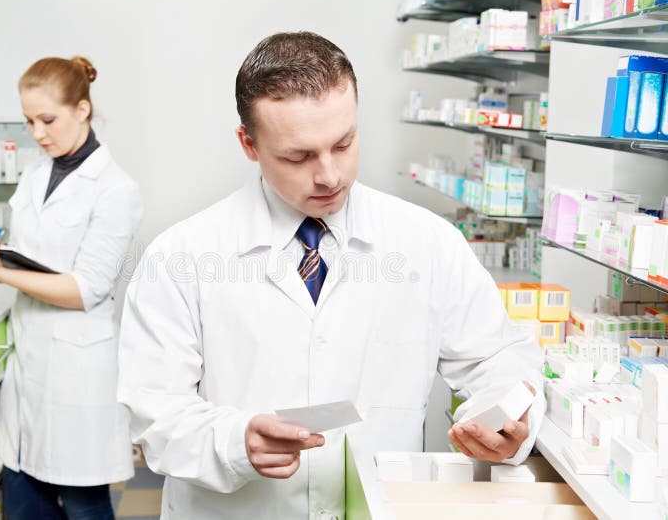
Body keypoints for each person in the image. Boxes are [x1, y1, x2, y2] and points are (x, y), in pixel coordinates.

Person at [117, 32, 544, 519]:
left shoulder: (428, 242)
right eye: (298, 157)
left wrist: (506, 417)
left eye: (343, 144)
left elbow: (497, 357)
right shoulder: (181, 256)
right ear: (249, 144)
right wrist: (235, 442)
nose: (330, 176)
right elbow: (154, 413)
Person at [0, 56, 142, 520]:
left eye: (47, 120)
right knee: (22, 498)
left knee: (82, 503)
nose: (37, 133)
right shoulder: (36, 173)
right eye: (29, 121)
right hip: (29, 355)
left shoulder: (115, 189)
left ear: (82, 109)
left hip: (78, 364)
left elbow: (84, 289)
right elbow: (33, 248)